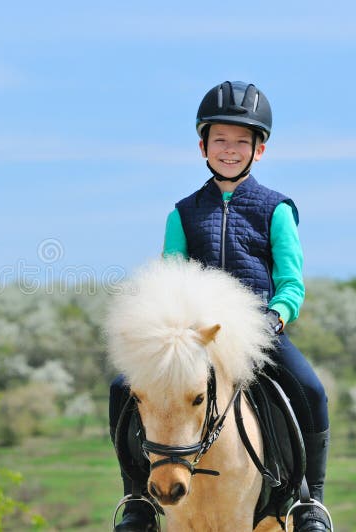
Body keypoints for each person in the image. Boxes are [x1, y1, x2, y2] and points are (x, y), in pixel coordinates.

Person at [109, 81, 331, 532]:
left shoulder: (276, 210)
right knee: (121, 388)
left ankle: (309, 503)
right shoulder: (183, 213)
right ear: (203, 146)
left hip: (256, 337)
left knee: (311, 391)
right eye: (220, 140)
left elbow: (290, 283)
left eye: (241, 142)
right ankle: (138, 500)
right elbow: (169, 280)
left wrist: (276, 315)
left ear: (259, 150)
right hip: (195, 339)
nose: (230, 150)